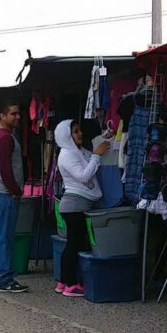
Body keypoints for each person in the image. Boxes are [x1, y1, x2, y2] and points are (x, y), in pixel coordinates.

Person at [55, 120, 109, 297]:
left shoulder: (75, 151)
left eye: (79, 131)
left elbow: (88, 155)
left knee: (71, 243)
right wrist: (97, 156)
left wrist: (105, 139)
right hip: (75, 205)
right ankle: (71, 284)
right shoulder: (67, 154)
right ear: (66, 135)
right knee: (74, 244)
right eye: (75, 131)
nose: (80, 134)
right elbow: (83, 176)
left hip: (74, 205)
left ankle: (63, 282)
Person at [0, 100, 28, 293]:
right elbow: (6, 169)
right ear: (2, 116)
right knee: (5, 239)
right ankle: (6, 280)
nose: (17, 117)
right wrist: (16, 190)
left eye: (18, 113)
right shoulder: (6, 138)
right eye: (13, 113)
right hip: (5, 195)